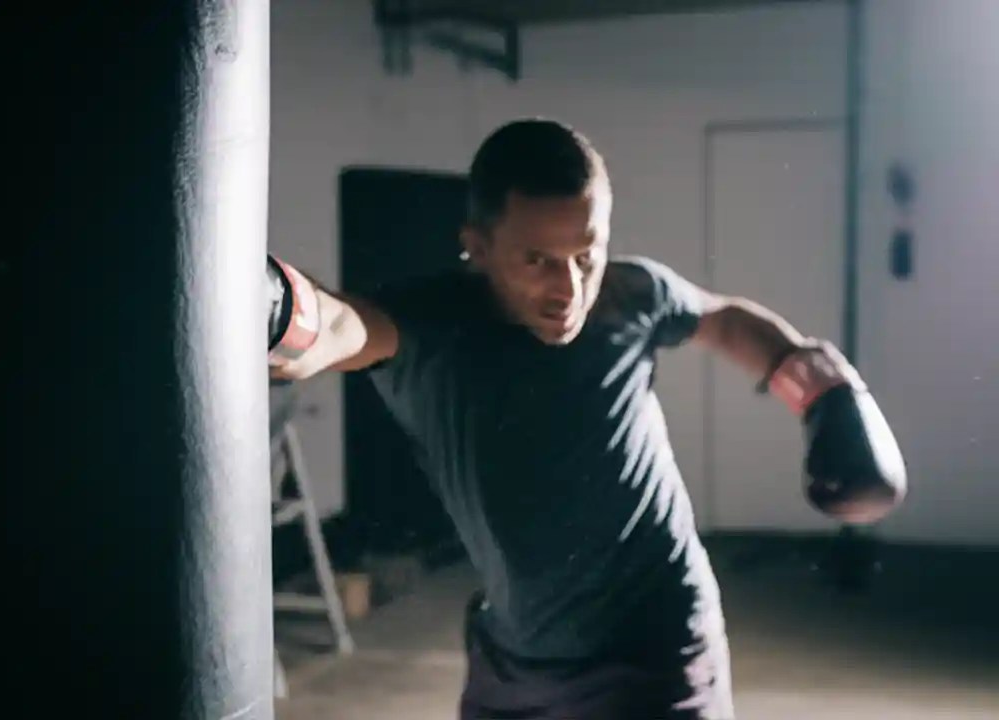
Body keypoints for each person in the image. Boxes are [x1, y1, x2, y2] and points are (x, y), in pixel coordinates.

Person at [265, 118, 905, 719]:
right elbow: (339, 326)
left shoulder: (631, 295)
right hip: (514, 657)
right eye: (537, 261)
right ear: (478, 248)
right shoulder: (429, 325)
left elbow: (724, 318)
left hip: (658, 648)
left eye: (586, 255)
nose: (568, 289)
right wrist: (274, 308)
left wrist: (818, 383)